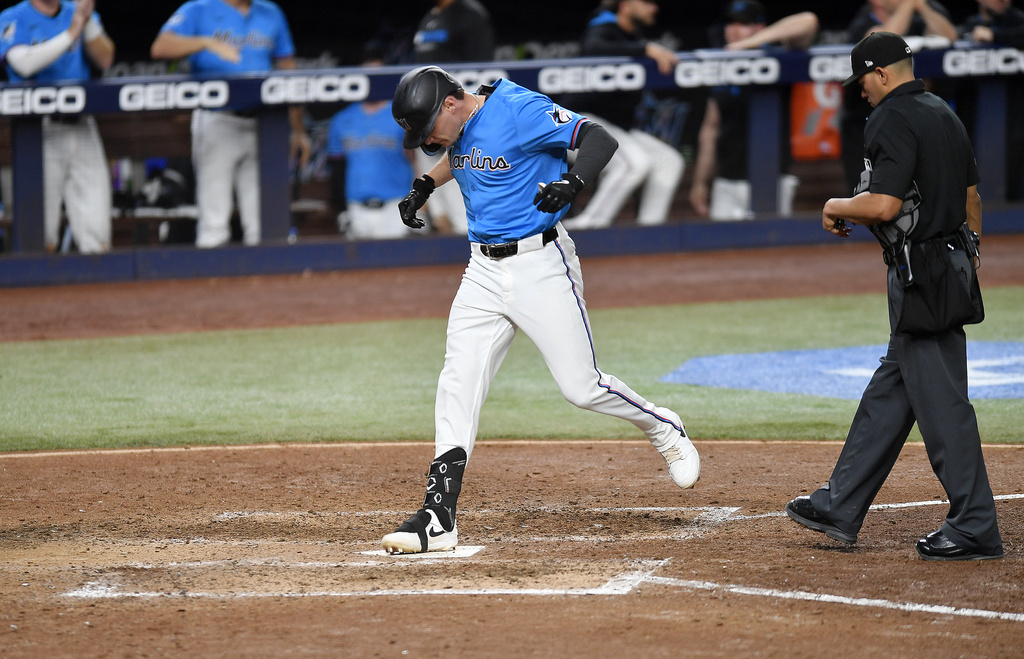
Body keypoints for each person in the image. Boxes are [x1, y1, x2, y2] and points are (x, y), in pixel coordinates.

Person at [380, 65, 700, 554]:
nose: (429, 139)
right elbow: (467, 156)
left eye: (429, 130)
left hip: (541, 265)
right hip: (481, 271)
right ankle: (438, 514)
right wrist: (427, 184)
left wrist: (572, 182)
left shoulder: (520, 108)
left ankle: (662, 426)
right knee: (458, 380)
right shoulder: (462, 125)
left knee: (582, 388)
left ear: (449, 102)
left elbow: (599, 138)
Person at [786, 32, 1003, 561]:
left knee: (942, 403)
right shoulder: (942, 112)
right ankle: (840, 504)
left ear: (881, 73)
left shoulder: (891, 117)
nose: (859, 90)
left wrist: (836, 204)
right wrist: (968, 253)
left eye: (861, 79)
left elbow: (883, 205)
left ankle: (974, 525)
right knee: (895, 387)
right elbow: (972, 196)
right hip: (949, 262)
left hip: (921, 271)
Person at [150, 0, 311, 248]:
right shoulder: (199, 9)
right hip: (218, 120)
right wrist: (206, 42)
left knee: (264, 225)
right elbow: (161, 47)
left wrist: (297, 131)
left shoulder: (270, 12)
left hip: (264, 123)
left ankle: (265, 282)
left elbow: (288, 72)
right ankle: (213, 283)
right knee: (214, 222)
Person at [0, 0, 115, 254]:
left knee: (97, 236)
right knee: (40, 235)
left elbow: (105, 58)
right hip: (37, 131)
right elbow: (23, 64)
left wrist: (86, 22)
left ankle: (97, 288)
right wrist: (70, 33)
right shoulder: (13, 17)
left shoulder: (75, 11)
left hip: (82, 124)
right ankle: (40, 292)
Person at [688, 0, 818, 221]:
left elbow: (808, 21)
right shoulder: (721, 67)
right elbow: (710, 130)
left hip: (771, 179)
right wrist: (700, 182)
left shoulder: (777, 57)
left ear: (760, 28)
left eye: (744, 24)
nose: (735, 30)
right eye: (730, 23)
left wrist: (751, 43)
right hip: (727, 181)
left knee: (772, 249)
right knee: (722, 250)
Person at [562, 0, 685, 230]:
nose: (654, 7)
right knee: (634, 164)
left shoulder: (632, 35)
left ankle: (650, 231)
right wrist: (646, 49)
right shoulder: (603, 29)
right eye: (646, 2)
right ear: (625, 6)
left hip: (611, 127)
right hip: (576, 123)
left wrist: (644, 47)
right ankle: (589, 226)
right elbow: (593, 48)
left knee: (669, 160)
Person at [840, 0, 956, 193]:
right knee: (867, 193)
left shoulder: (922, 15)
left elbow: (950, 35)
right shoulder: (862, 20)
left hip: (914, 122)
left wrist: (922, 7)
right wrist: (909, 5)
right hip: (864, 125)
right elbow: (879, 42)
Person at [410, 0, 495, 235]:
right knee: (434, 183)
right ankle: (450, 243)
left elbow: (482, 68)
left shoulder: (469, 13)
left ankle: (471, 242)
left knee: (457, 177)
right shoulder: (430, 15)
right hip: (428, 114)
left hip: (452, 114)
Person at [326, 47, 415, 241]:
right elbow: (337, 170)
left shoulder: (403, 116)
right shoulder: (342, 119)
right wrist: (341, 210)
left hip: (395, 206)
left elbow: (417, 162)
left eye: (377, 74)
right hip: (356, 207)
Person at [961, 0, 1024, 200]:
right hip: (976, 112)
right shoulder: (971, 23)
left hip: (1013, 112)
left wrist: (995, 36)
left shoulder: (1016, 19)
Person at [412, 0, 495, 64]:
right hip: (426, 82)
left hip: (456, 82)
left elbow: (481, 61)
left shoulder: (470, 13)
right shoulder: (429, 15)